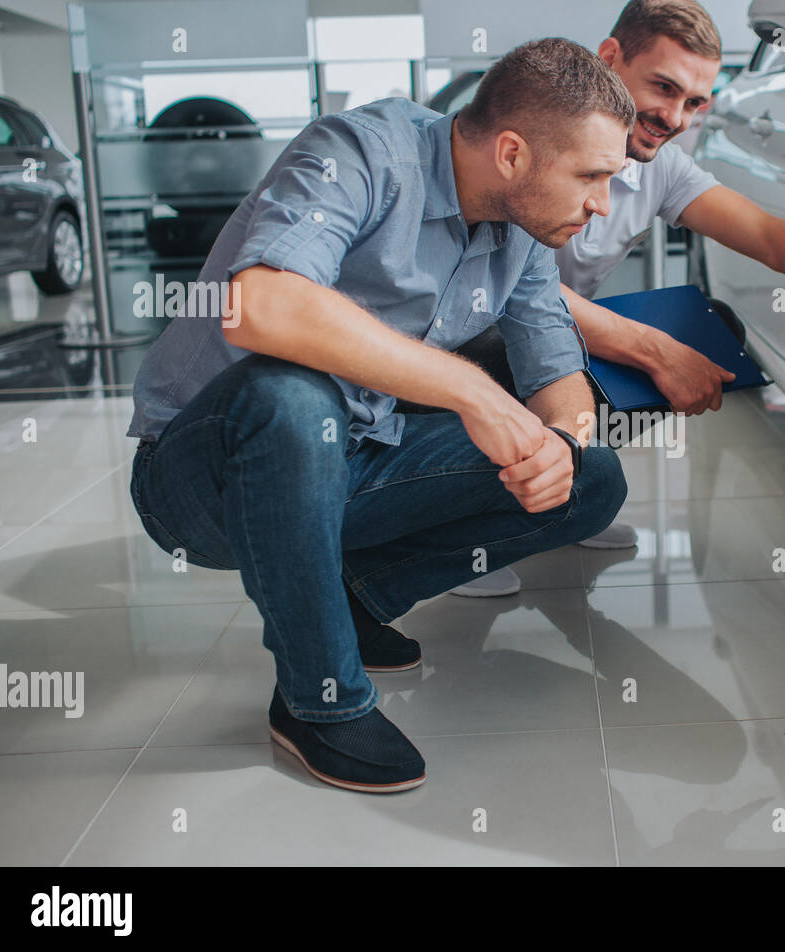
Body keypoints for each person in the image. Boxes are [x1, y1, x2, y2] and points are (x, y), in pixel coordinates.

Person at [125, 38, 636, 793]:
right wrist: (475, 393)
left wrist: (559, 442)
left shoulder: (521, 230)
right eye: (591, 176)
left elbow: (557, 370)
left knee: (592, 480)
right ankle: (319, 702)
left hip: (352, 462)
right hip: (208, 479)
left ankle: (355, 598)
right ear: (512, 153)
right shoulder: (360, 152)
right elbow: (258, 306)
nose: (601, 204)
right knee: (291, 396)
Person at [448, 0, 785, 597]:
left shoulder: (660, 167)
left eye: (693, 102)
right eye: (663, 87)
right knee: (512, 344)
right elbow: (510, 293)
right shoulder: (536, 141)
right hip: (474, 336)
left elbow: (764, 235)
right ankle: (464, 540)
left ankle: (564, 495)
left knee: (713, 331)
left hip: (562, 340)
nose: (674, 117)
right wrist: (651, 349)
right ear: (610, 59)